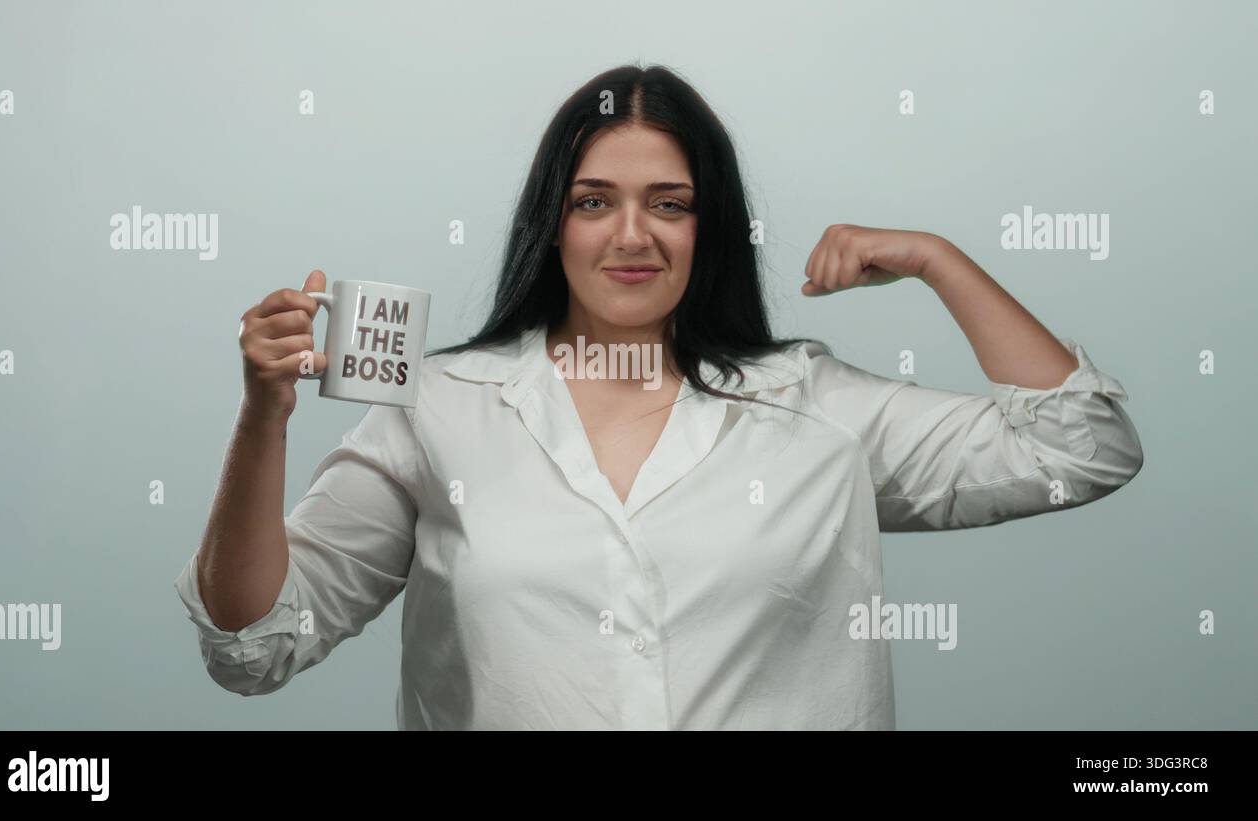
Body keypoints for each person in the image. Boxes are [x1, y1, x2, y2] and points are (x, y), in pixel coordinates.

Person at [174, 64, 1144, 730]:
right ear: (550, 224)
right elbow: (255, 641)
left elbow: (1082, 446)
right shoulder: (440, 408)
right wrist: (264, 413)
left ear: (707, 227)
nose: (631, 234)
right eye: (594, 201)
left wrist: (937, 259)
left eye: (669, 203)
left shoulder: (814, 407)